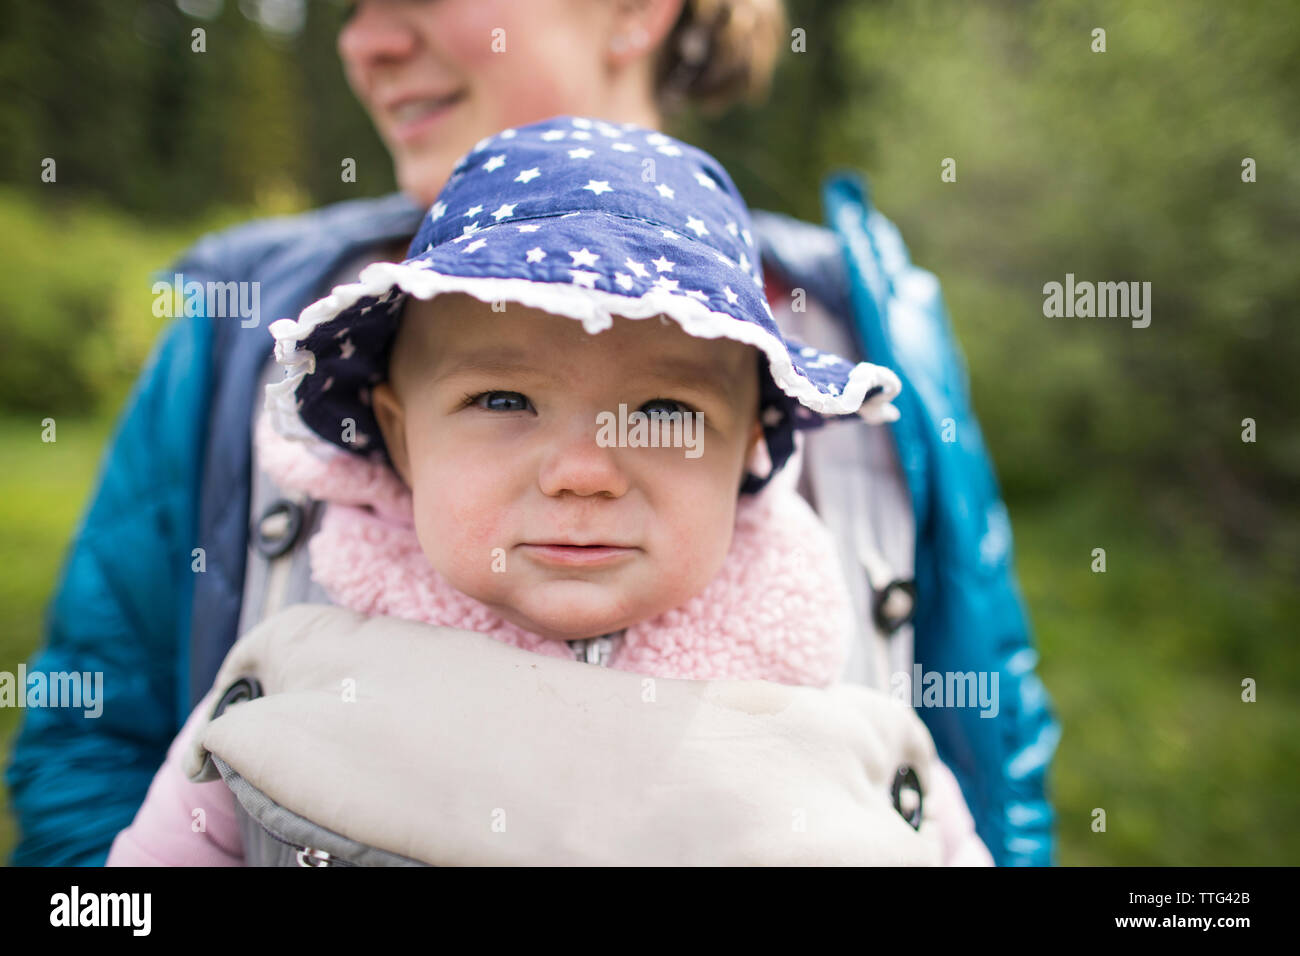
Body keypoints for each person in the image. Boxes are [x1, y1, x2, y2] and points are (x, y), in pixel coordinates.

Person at [5, 0, 1058, 866]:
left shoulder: (874, 323)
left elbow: (991, 767)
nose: (362, 39)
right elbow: (90, 746)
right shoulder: (242, 322)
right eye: (503, 401)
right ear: (389, 433)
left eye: (665, 409)